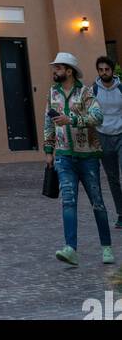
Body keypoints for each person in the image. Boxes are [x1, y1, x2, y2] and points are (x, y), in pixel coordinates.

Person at [44, 51, 114, 267]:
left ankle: (106, 247)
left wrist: (72, 119)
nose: (54, 71)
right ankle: (70, 249)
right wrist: (49, 149)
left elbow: (98, 117)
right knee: (68, 201)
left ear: (69, 71)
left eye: (58, 67)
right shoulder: (52, 93)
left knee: (97, 203)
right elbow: (48, 122)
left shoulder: (85, 93)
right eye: (54, 67)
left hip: (87, 156)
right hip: (64, 156)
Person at [93, 55, 122, 229]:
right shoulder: (93, 91)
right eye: (101, 70)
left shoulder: (121, 88)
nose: (104, 73)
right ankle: (121, 213)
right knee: (113, 178)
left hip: (121, 134)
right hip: (103, 136)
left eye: (107, 69)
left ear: (112, 70)